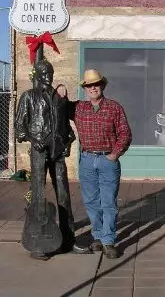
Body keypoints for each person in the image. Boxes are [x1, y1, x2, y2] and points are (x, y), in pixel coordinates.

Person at [15, 59, 92, 260]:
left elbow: (67, 127)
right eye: (44, 71)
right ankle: (39, 242)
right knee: (39, 193)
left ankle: (68, 239)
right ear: (37, 74)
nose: (48, 74)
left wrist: (67, 145)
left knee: (64, 195)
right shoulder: (28, 97)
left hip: (57, 152)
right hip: (39, 151)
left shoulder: (59, 97)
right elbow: (19, 129)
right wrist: (34, 139)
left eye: (50, 71)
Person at [57, 69, 132, 259]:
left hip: (108, 160)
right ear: (85, 88)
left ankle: (108, 241)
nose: (93, 88)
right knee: (91, 202)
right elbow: (58, 106)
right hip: (87, 160)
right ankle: (98, 236)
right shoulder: (78, 108)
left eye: (96, 84)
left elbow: (125, 133)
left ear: (102, 86)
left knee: (108, 203)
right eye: (89, 85)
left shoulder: (114, 107)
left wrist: (114, 154)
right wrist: (59, 89)